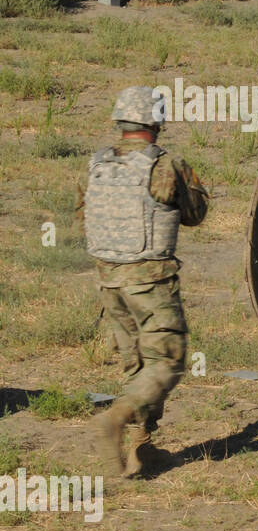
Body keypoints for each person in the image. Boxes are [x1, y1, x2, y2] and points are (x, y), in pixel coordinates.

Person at [83, 86, 209, 477]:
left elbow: (83, 212)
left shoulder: (97, 163)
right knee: (166, 360)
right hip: (149, 279)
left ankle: (142, 447)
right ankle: (115, 420)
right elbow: (196, 213)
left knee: (136, 363)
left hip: (108, 280)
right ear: (156, 121)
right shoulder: (166, 165)